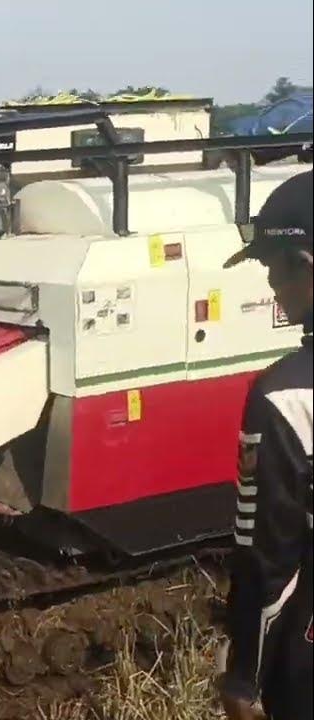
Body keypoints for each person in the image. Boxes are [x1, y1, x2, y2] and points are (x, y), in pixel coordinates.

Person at [217, 168, 312, 720]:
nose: (271, 286)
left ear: (305, 266)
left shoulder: (285, 396)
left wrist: (243, 679)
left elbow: (267, 563)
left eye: (272, 268)